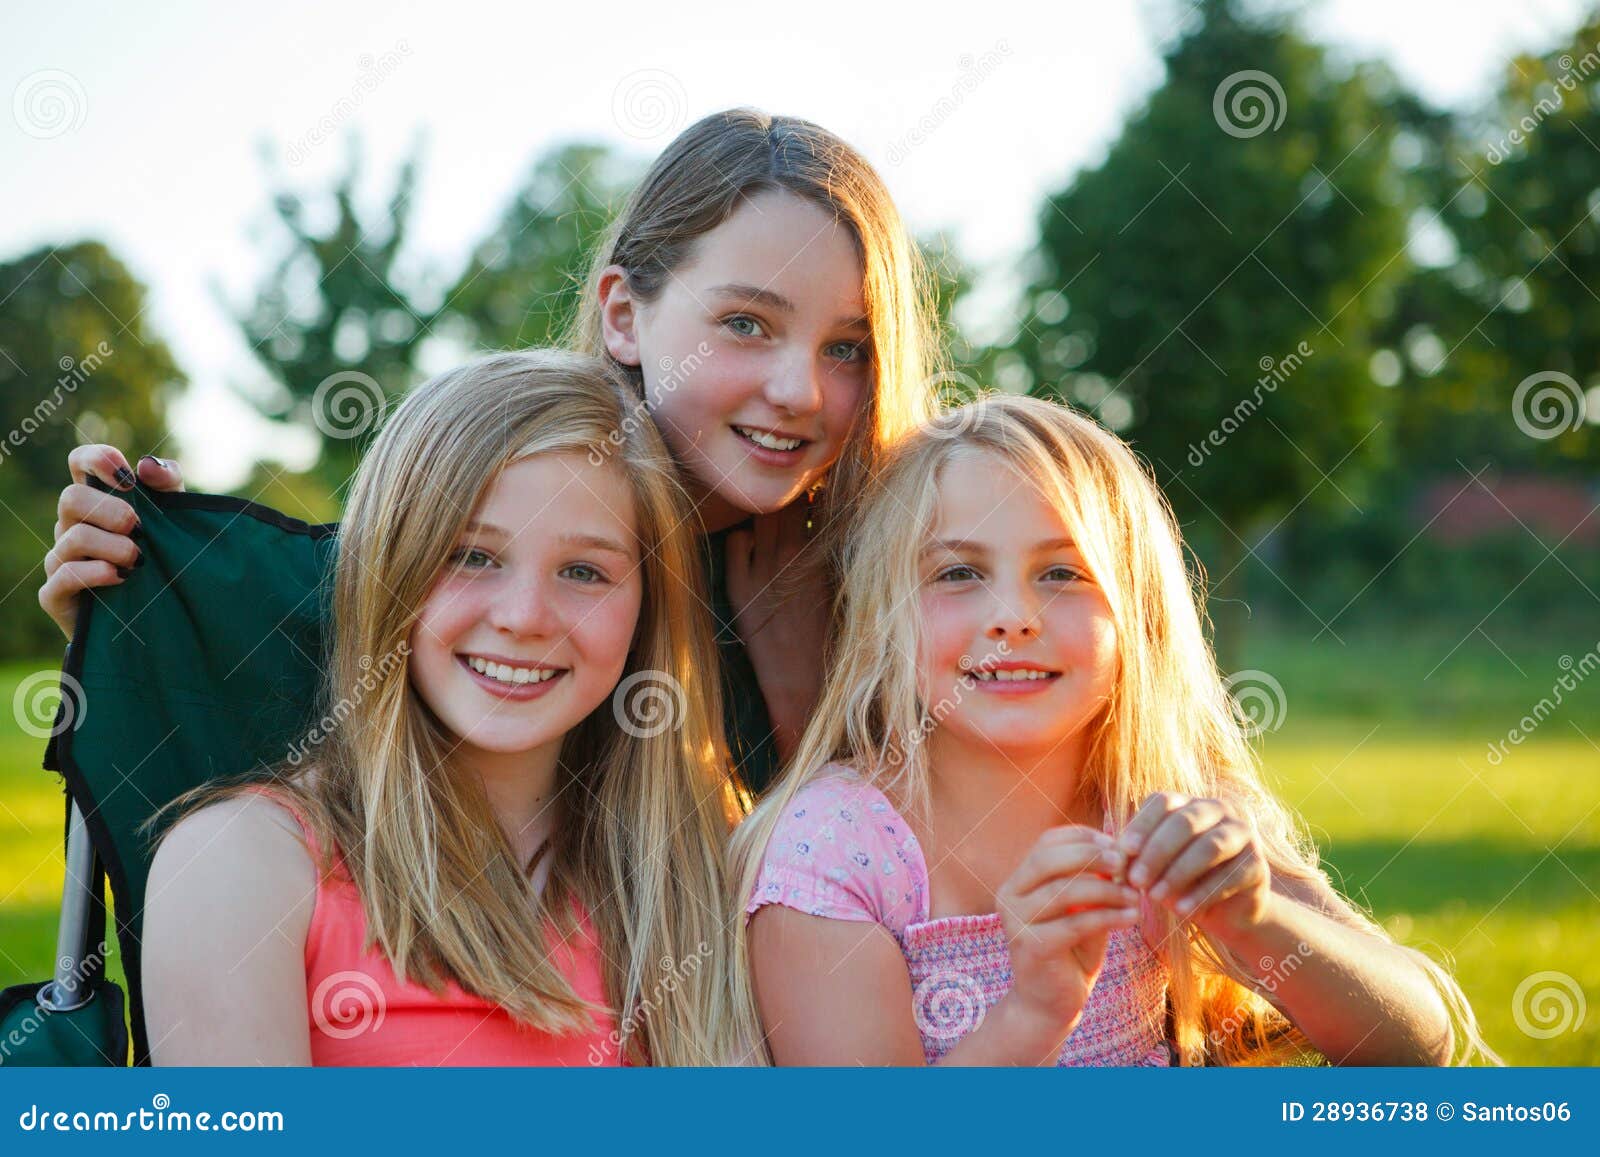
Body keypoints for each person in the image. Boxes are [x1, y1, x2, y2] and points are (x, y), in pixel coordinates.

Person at [39, 108, 942, 797]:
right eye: (746, 323)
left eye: (849, 347)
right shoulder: (498, 525)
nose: (801, 391)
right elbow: (337, 649)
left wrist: (796, 690)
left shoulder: (912, 581)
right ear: (624, 315)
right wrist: (161, 593)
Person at [732, 393, 1495, 1066]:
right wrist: (1031, 1015)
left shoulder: (1162, 800)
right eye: (958, 573)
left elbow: (1415, 1043)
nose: (1013, 616)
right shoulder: (831, 852)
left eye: (1062, 573)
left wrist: (1253, 921)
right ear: (879, 616)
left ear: (1136, 615)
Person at [141, 350, 755, 1065]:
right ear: (388, 571)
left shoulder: (706, 869)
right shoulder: (243, 865)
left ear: (646, 612)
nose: (525, 617)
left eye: (584, 571)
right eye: (471, 556)